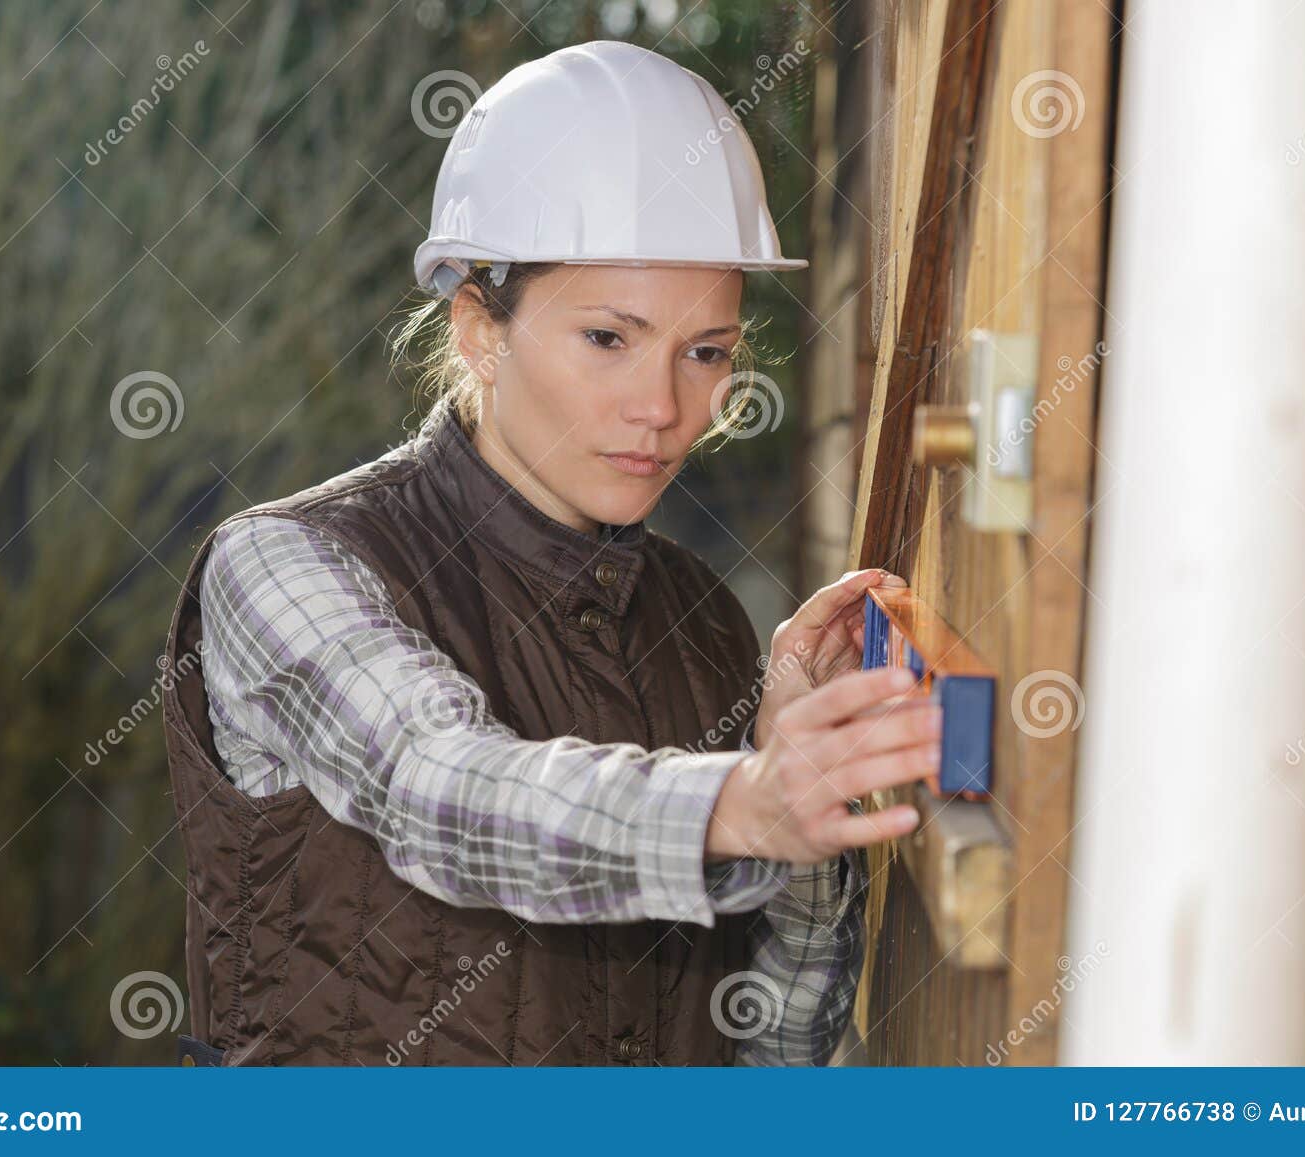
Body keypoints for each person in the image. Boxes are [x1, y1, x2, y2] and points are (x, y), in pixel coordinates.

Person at [160, 39, 941, 1067]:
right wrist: (741, 800)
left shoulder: (702, 620)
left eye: (704, 352)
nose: (663, 407)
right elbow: (439, 788)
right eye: (607, 339)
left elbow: (774, 1050)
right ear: (480, 329)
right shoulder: (285, 565)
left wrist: (790, 776)